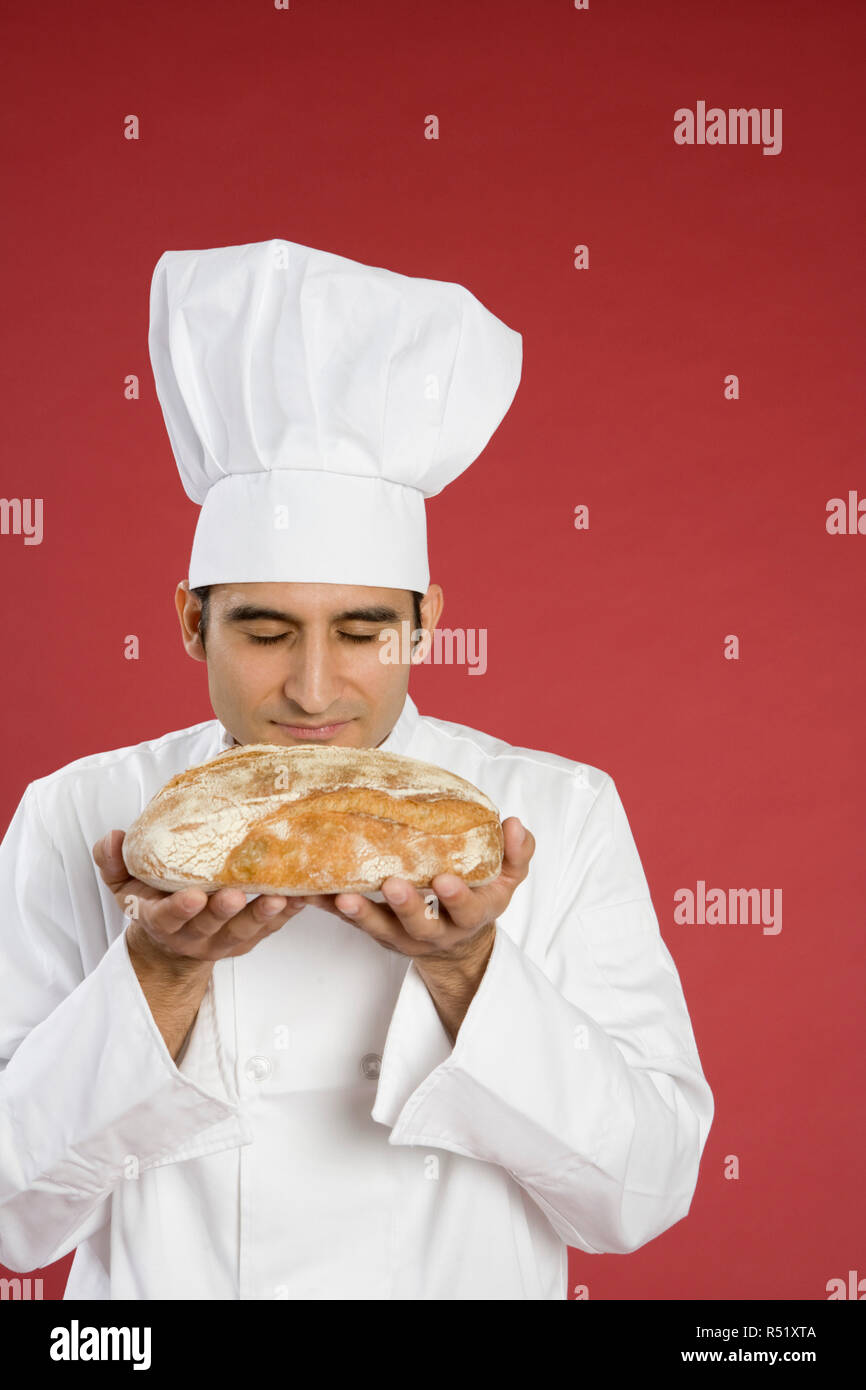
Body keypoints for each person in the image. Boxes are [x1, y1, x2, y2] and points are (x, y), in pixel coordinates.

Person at [0, 238, 714, 1300]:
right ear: (191, 622)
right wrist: (157, 977)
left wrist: (468, 968)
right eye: (266, 629)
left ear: (425, 625)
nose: (312, 688)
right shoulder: (83, 814)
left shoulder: (547, 812)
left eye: (363, 629)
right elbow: (14, 1220)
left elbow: (643, 1194)